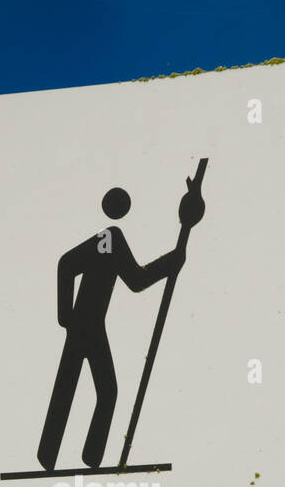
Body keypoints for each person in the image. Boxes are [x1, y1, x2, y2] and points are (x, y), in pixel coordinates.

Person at [36, 187, 186, 472]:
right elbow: (67, 264)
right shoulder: (110, 239)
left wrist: (172, 261)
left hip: (92, 326)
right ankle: (58, 456)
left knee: (97, 390)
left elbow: (135, 279)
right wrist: (65, 316)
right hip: (84, 324)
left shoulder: (112, 240)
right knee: (88, 389)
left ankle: (83, 456)